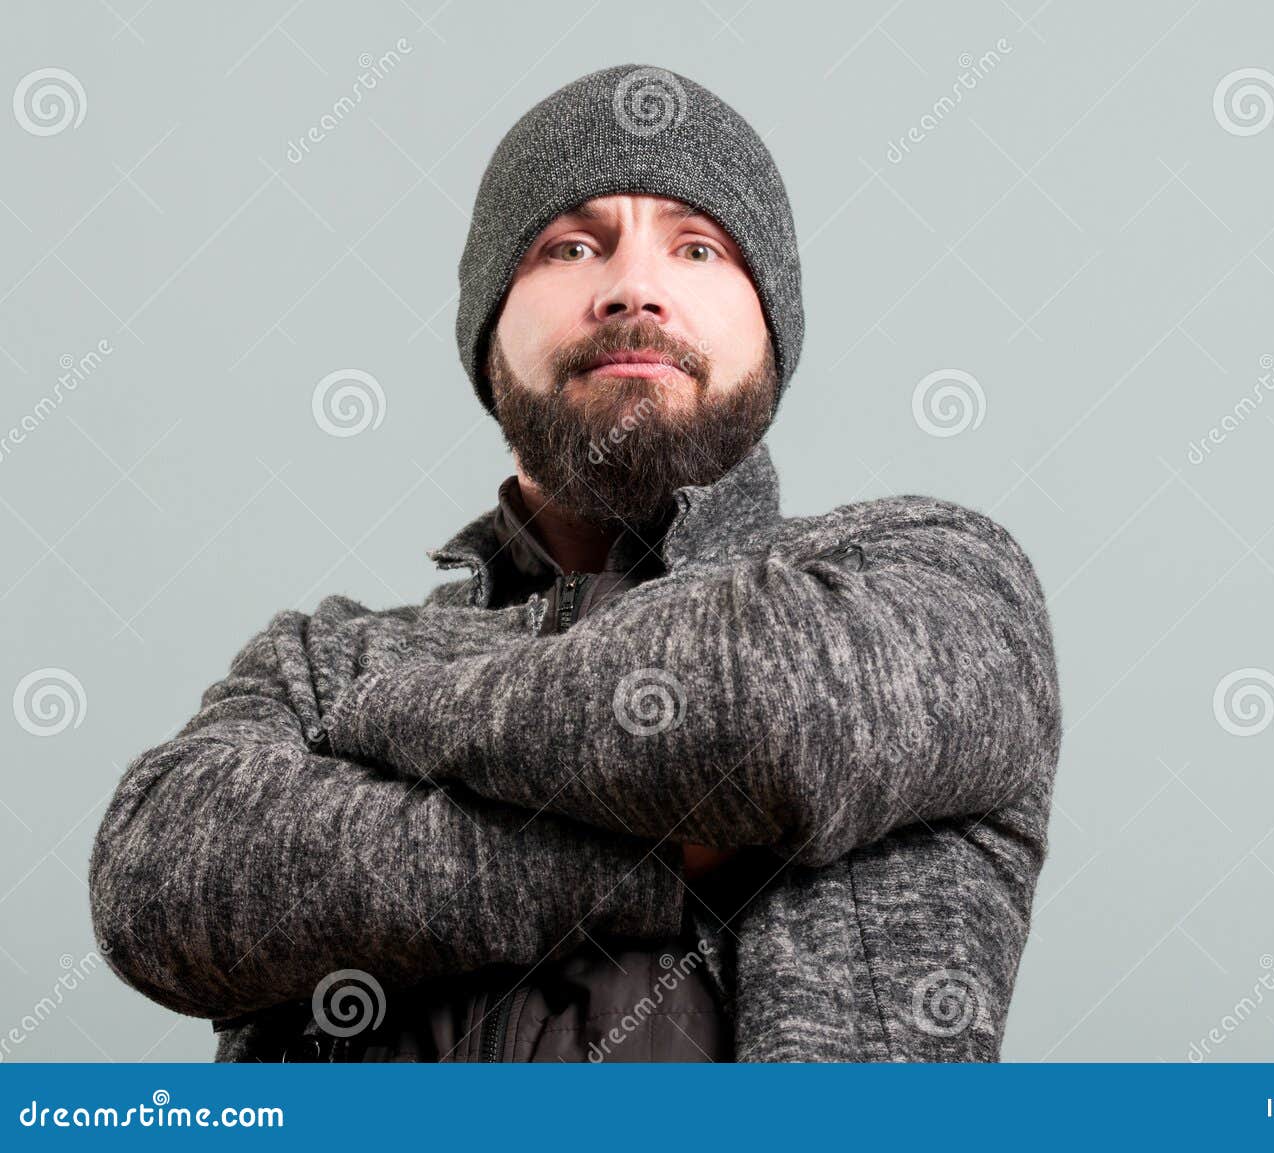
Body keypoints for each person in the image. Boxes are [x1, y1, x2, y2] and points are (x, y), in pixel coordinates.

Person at [87, 62, 1062, 1062]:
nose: (633, 288)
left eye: (697, 247)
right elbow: (160, 884)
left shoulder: (931, 575)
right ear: (487, 331)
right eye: (570, 246)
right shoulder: (315, 656)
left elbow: (769, 723)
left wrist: (380, 724)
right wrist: (664, 862)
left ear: (769, 330)